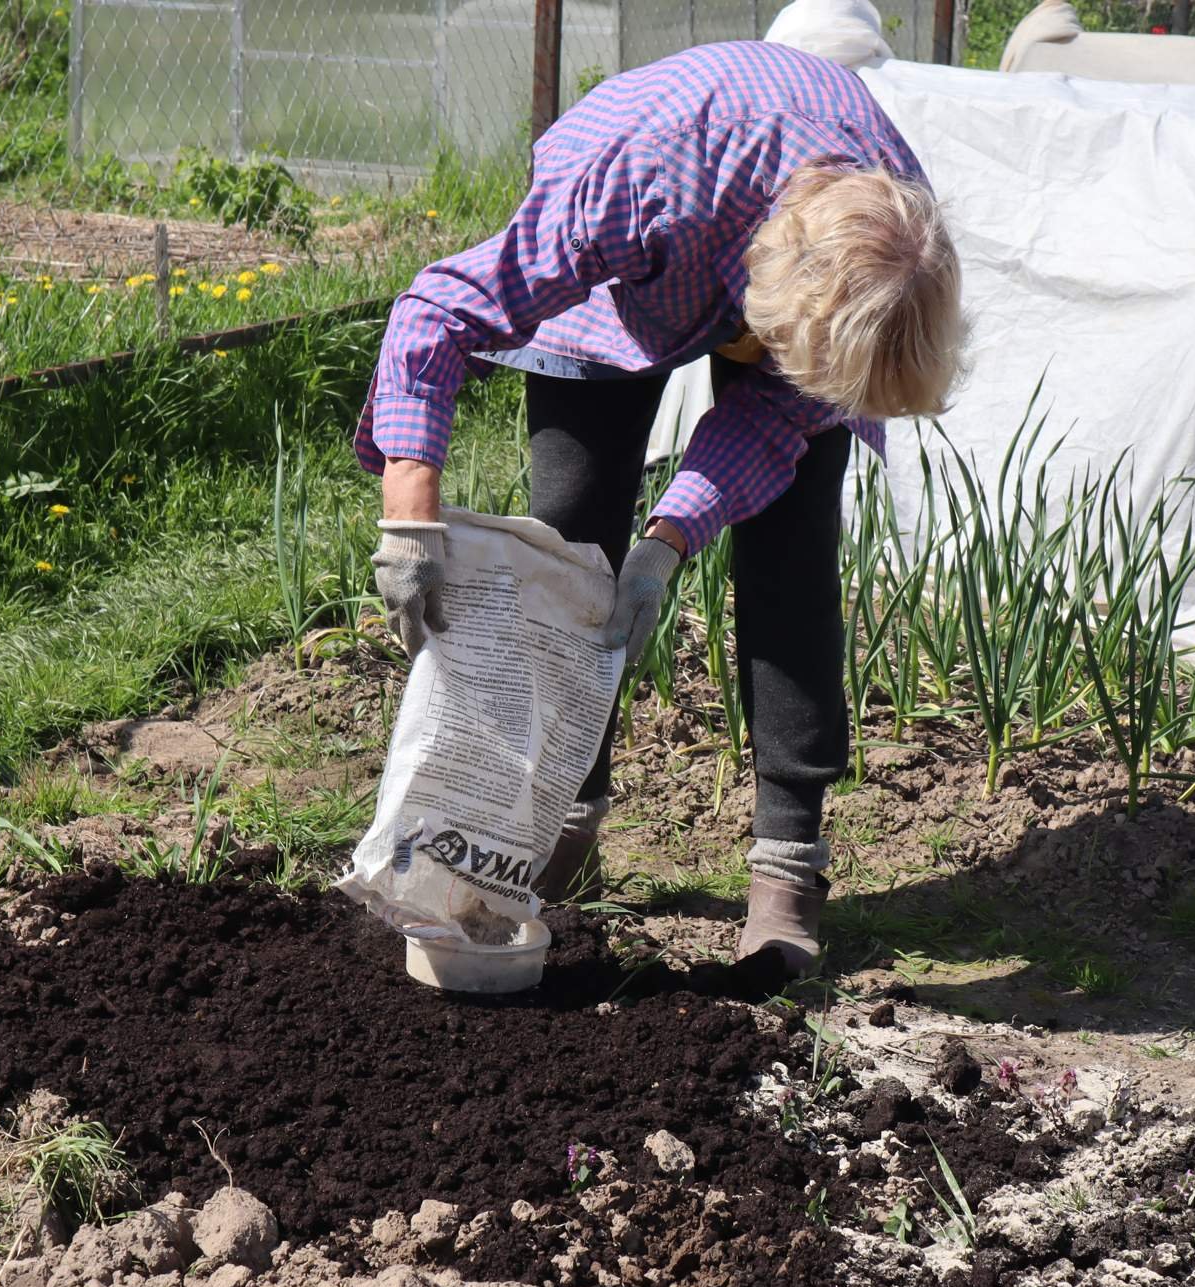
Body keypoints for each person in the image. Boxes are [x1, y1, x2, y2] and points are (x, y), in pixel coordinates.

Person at [356, 40, 964, 975]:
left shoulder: (890, 258)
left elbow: (773, 423)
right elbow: (440, 311)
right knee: (572, 531)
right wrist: (411, 516)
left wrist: (670, 541)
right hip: (639, 254)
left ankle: (787, 866)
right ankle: (562, 815)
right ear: (764, 301)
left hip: (796, 264)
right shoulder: (634, 181)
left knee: (793, 556)